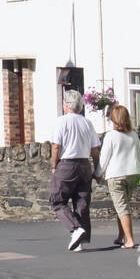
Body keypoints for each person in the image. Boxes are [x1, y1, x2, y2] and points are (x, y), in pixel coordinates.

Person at [49, 89, 101, 251]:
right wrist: (97, 169)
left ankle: (75, 228)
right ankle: (79, 240)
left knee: (57, 201)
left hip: (67, 164)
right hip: (85, 164)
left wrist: (54, 165)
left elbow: (56, 146)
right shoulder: (87, 123)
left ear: (66, 105)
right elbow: (95, 149)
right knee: (81, 202)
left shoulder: (61, 122)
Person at [96, 104, 140, 248]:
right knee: (122, 205)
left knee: (122, 207)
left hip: (116, 175)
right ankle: (121, 236)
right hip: (132, 174)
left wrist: (97, 174)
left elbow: (104, 158)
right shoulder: (133, 135)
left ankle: (130, 240)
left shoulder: (111, 136)